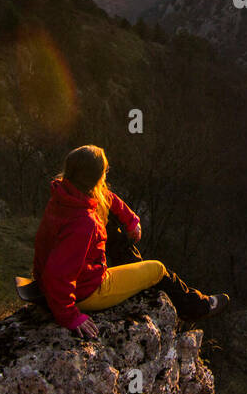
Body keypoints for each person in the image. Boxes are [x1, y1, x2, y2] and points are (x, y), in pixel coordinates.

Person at [32, 144, 228, 338]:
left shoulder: (64, 195)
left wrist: (131, 220)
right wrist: (69, 316)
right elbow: (57, 275)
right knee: (157, 270)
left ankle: (135, 269)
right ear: (98, 178)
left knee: (110, 225)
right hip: (88, 292)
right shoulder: (84, 224)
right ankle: (198, 307)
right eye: (104, 171)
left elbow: (106, 197)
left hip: (70, 279)